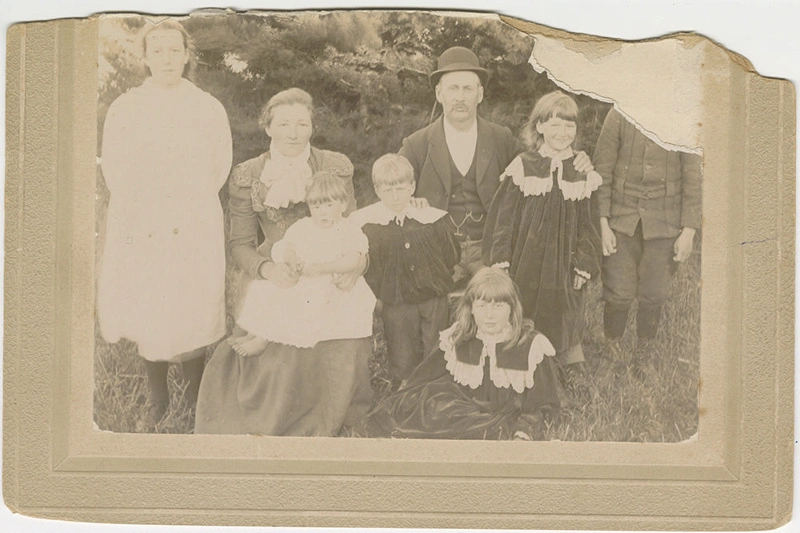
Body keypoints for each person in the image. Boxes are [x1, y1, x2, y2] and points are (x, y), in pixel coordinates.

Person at [195, 88, 371, 436]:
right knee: (273, 319)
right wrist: (268, 269)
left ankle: (331, 407)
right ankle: (273, 410)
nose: (293, 133)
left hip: (330, 264)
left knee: (343, 317)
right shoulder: (248, 174)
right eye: (284, 124)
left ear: (313, 127)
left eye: (302, 124)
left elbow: (352, 228)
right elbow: (240, 244)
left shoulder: (334, 166)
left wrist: (357, 267)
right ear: (267, 127)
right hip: (276, 264)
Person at [97, 20, 232, 426]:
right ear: (145, 58)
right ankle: (158, 399)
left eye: (175, 50)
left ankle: (194, 398)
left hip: (193, 218)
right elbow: (115, 167)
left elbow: (218, 165)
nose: (167, 59)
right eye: (157, 51)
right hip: (144, 219)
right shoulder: (127, 107)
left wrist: (187, 205)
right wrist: (144, 207)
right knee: (150, 301)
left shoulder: (207, 107)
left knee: (192, 299)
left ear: (187, 55)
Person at [399, 46, 594, 287]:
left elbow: (540, 165)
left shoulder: (501, 138)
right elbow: (391, 187)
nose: (460, 97)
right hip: (438, 248)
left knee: (502, 296)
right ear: (439, 93)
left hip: (488, 249)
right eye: (453, 88)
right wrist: (410, 203)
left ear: (480, 94)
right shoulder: (416, 144)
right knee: (427, 297)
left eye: (468, 88)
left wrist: (575, 159)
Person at [482, 91, 602, 379]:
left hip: (564, 262)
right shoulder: (524, 165)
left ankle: (565, 361)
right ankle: (521, 362)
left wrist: (584, 263)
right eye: (555, 125)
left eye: (569, 126)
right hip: (527, 258)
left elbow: (589, 225)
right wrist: (501, 260)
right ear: (539, 126)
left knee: (565, 307)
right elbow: (504, 219)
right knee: (523, 305)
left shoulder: (582, 171)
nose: (562, 132)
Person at [365, 267, 561, 440]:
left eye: (498, 306)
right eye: (481, 306)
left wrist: (524, 430)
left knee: (492, 428)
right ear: (471, 309)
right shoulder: (459, 337)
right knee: (431, 408)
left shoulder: (530, 346)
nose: (489, 315)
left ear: (512, 309)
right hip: (463, 408)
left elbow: (543, 402)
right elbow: (423, 378)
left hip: (502, 414)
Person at [592, 108, 702, 369]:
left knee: (654, 292)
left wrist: (689, 230)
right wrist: (603, 223)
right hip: (621, 220)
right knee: (618, 292)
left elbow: (693, 178)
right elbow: (601, 171)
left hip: (665, 223)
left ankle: (644, 355)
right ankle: (611, 349)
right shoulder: (618, 115)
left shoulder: (682, 120)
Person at [232, 171, 375, 355]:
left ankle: (263, 338)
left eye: (329, 205)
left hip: (331, 283)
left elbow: (353, 260)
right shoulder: (304, 226)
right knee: (265, 289)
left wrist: (323, 268)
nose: (322, 212)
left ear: (343, 205)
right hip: (303, 277)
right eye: (316, 207)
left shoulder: (348, 229)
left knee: (298, 299)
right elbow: (287, 247)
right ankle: (255, 330)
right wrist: (293, 259)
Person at [350, 154, 461, 388]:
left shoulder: (431, 218)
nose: (395, 196)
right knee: (401, 342)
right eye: (387, 190)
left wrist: (436, 277)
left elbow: (451, 254)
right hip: (395, 298)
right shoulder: (367, 223)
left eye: (401, 189)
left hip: (433, 294)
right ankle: (407, 383)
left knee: (435, 339)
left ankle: (434, 383)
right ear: (377, 190)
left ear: (412, 186)